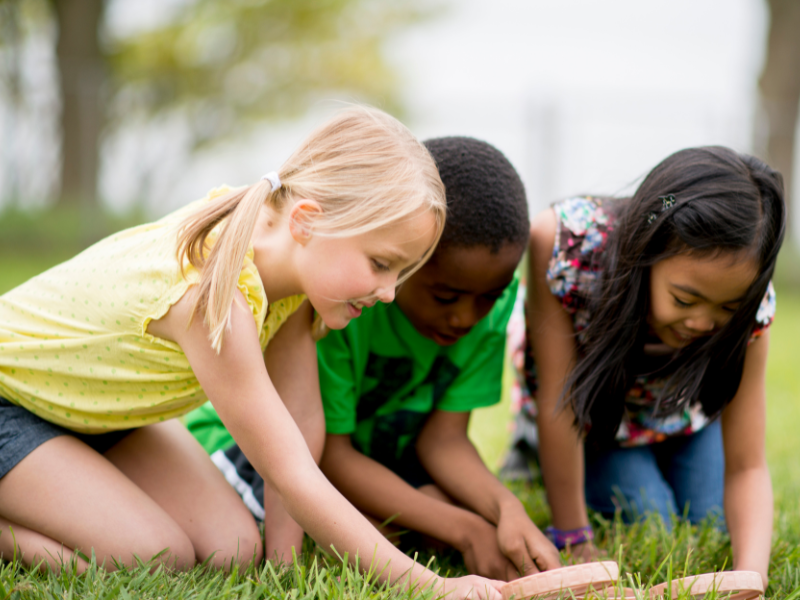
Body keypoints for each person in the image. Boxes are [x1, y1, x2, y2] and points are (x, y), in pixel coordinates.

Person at [0, 106, 503, 599]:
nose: (389, 292)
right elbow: (292, 474)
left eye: (400, 272)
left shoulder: (289, 278)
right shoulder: (212, 294)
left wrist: (282, 568)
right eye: (380, 263)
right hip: (12, 404)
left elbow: (300, 417)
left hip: (98, 414)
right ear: (307, 221)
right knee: (156, 554)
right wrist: (434, 587)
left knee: (234, 550)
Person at [186, 136, 562, 581]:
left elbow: (443, 441)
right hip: (268, 452)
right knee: (425, 521)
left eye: (490, 298)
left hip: (375, 458)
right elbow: (323, 456)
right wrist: (466, 530)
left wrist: (506, 510)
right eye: (445, 296)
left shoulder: (491, 309)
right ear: (407, 262)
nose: (466, 317)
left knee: (438, 509)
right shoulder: (347, 303)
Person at [515, 146, 784, 587]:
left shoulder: (753, 307)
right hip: (597, 425)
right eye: (684, 299)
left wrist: (750, 575)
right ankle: (525, 453)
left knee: (709, 524)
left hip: (685, 421)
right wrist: (574, 534)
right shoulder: (565, 247)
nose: (702, 322)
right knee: (650, 517)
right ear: (647, 252)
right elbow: (560, 403)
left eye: (727, 307)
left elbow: (748, 465)